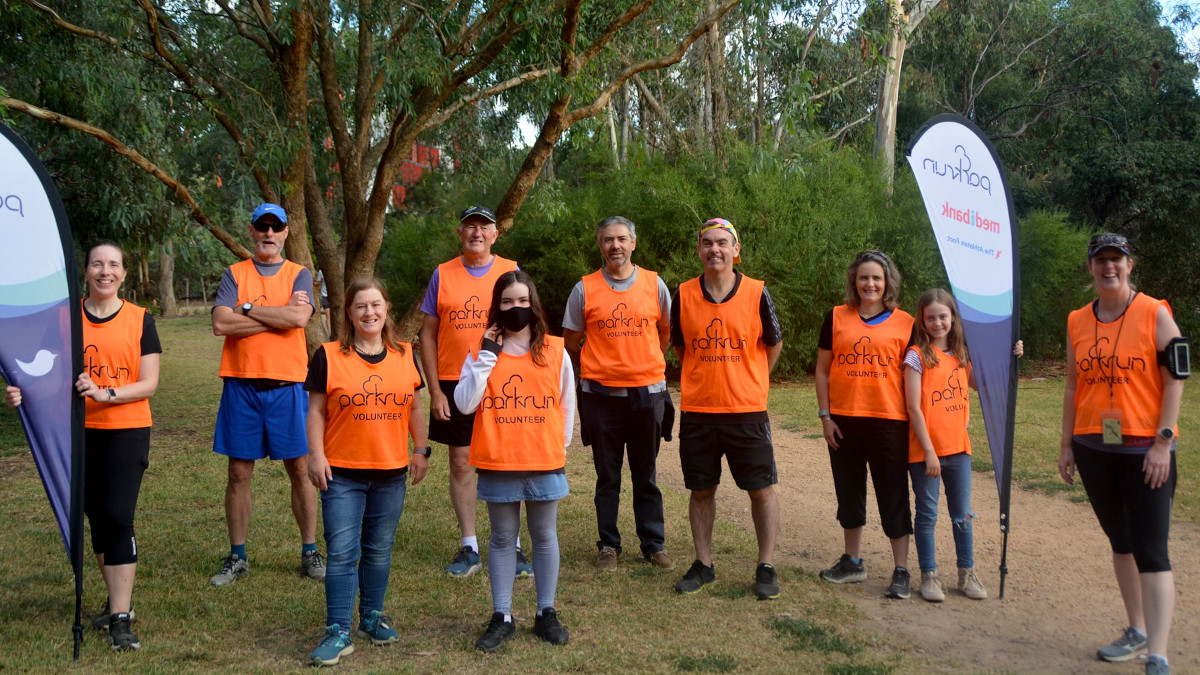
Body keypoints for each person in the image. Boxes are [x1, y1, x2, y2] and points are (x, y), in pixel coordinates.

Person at [6, 242, 160, 651]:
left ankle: (121, 619)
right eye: (97, 264)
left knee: (118, 516)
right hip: (76, 431)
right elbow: (45, 370)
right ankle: (117, 601)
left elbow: (148, 383)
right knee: (95, 518)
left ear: (124, 273)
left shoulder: (140, 319)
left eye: (113, 265)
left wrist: (104, 392)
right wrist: (23, 392)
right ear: (86, 271)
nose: (105, 271)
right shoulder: (65, 317)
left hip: (126, 429)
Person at [1058, 233, 1185, 675]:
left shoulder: (1155, 312)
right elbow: (1072, 384)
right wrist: (1066, 444)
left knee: (1151, 550)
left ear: (1130, 265)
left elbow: (1176, 379)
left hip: (1146, 450)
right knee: (1121, 541)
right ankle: (1137, 630)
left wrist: (1163, 442)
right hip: (1094, 446)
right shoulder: (1077, 320)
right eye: (1101, 260)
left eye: (1117, 259)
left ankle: (1158, 654)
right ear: (1090, 267)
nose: (1108, 266)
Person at [304, 278, 430, 667]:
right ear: (349, 313)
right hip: (341, 473)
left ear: (386, 308)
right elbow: (316, 411)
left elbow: (414, 408)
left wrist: (421, 450)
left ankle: (371, 618)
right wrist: (315, 455)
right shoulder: (328, 355)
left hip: (391, 472)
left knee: (378, 548)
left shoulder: (405, 354)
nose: (369, 312)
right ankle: (338, 630)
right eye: (360, 306)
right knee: (342, 551)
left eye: (375, 304)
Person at [454, 270, 575, 652]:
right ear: (497, 307)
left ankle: (545, 612)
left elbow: (566, 404)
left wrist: (557, 448)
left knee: (545, 536)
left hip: (544, 459)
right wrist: (488, 355)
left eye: (522, 300)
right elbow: (464, 403)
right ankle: (502, 615)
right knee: (503, 537)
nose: (515, 307)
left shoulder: (555, 350)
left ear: (532, 304)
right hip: (500, 460)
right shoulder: (481, 352)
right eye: (507, 302)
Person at [209, 202, 323, 586]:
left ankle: (310, 551)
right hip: (241, 385)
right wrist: (277, 318)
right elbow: (221, 324)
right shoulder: (234, 273)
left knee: (300, 470)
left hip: (288, 386)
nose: (269, 234)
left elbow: (299, 318)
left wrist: (245, 309)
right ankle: (237, 556)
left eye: (276, 227)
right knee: (238, 472)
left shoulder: (299, 273)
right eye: (263, 227)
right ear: (252, 231)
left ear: (286, 232)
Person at [670, 218, 783, 600]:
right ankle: (703, 564)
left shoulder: (756, 292)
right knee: (701, 490)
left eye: (722, 242)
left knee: (761, 490)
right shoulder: (684, 294)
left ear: (736, 250)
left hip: (746, 411)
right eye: (707, 243)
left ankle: (765, 566)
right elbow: (681, 347)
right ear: (699, 250)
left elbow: (774, 343)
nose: (714, 249)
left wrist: (753, 379)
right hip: (699, 411)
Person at [418, 205, 529, 578]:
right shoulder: (443, 273)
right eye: (469, 226)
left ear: (495, 234)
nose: (476, 232)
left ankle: (513, 545)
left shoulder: (510, 271)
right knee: (461, 462)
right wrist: (435, 390)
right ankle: (470, 546)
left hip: (502, 379)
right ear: (460, 233)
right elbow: (428, 334)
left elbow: (527, 325)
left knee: (507, 462)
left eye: (484, 227)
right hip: (455, 379)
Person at [563, 215, 674, 571]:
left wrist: (644, 362)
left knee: (646, 474)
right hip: (601, 397)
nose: (616, 245)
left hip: (647, 395)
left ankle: (653, 544)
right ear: (600, 245)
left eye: (622, 239)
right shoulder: (584, 289)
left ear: (633, 243)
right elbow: (571, 341)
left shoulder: (655, 284)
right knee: (608, 475)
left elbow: (666, 331)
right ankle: (608, 545)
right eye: (608, 240)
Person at [904, 288, 1023, 602]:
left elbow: (982, 382)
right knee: (927, 516)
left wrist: (1009, 355)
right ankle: (929, 576)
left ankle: (966, 573)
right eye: (930, 317)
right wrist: (929, 451)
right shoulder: (916, 356)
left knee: (962, 515)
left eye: (943, 316)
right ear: (922, 320)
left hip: (959, 450)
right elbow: (913, 408)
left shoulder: (961, 355)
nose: (937, 323)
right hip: (926, 452)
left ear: (953, 318)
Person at [815, 250, 915, 599]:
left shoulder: (907, 323)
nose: (870, 284)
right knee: (849, 493)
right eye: (863, 278)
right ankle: (852, 562)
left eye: (876, 278)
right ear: (854, 281)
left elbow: (932, 365)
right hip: (844, 420)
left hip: (890, 422)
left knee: (893, 495)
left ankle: (901, 569)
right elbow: (823, 370)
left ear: (888, 282)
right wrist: (825, 416)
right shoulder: (836, 316)